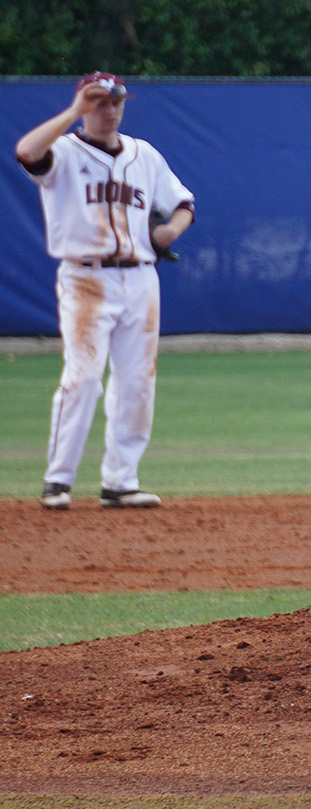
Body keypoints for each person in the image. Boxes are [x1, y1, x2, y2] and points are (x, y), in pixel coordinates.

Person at [15, 71, 194, 511]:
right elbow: (25, 152)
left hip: (140, 278)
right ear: (83, 106)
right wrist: (73, 111)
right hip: (85, 277)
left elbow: (182, 203)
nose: (109, 110)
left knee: (137, 382)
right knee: (83, 378)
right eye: (98, 102)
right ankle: (57, 480)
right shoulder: (62, 151)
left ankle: (121, 481)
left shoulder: (144, 154)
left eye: (115, 101)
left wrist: (170, 230)